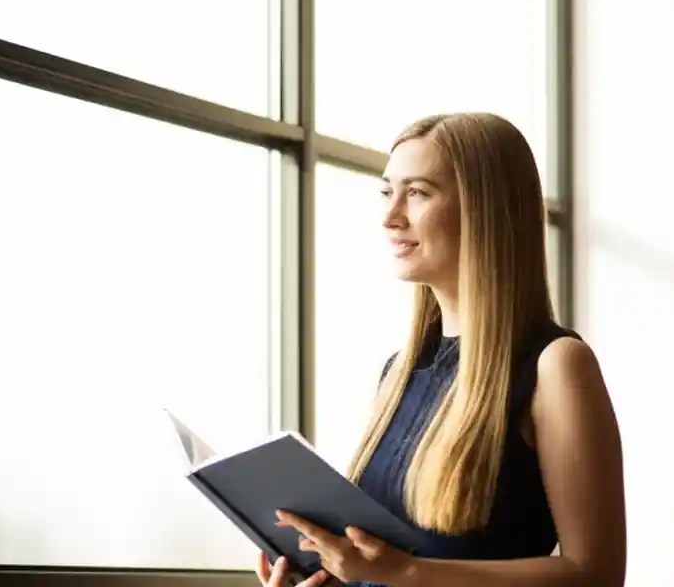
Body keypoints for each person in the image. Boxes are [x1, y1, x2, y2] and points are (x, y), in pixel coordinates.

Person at [257, 113, 626, 587]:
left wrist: (403, 571)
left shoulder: (554, 365)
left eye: (418, 193)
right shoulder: (398, 372)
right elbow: (378, 567)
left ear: (487, 210)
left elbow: (595, 574)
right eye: (388, 191)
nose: (391, 217)